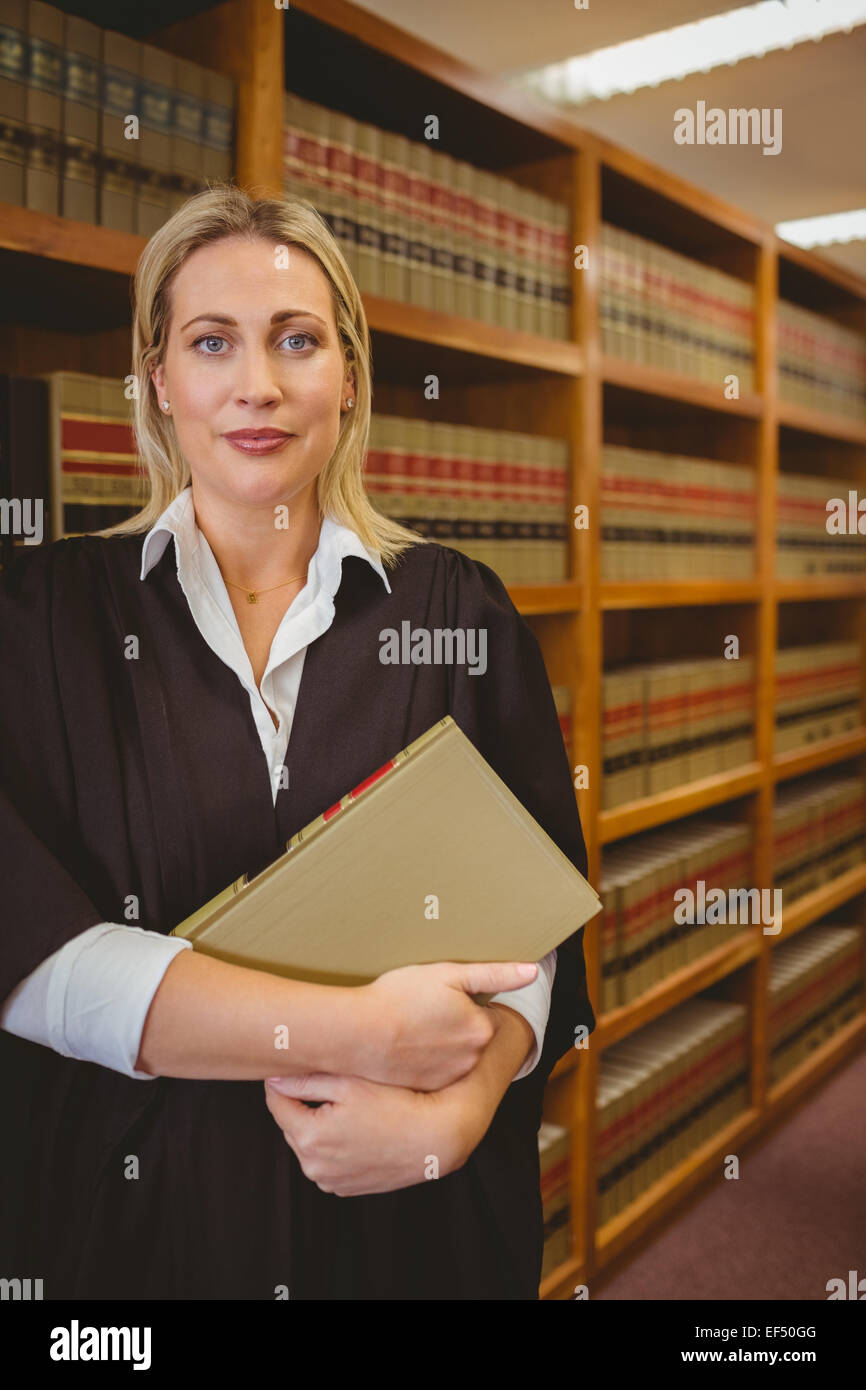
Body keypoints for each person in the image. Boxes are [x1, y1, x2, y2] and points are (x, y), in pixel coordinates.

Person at [0, 184, 595, 1300]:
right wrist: (355, 1032)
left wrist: (458, 1116)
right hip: (141, 1225)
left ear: (350, 376)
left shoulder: (459, 610)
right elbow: (28, 956)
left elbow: (536, 923)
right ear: (159, 378)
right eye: (211, 341)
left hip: (410, 1225)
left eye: (297, 340)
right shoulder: (40, 621)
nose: (257, 385)